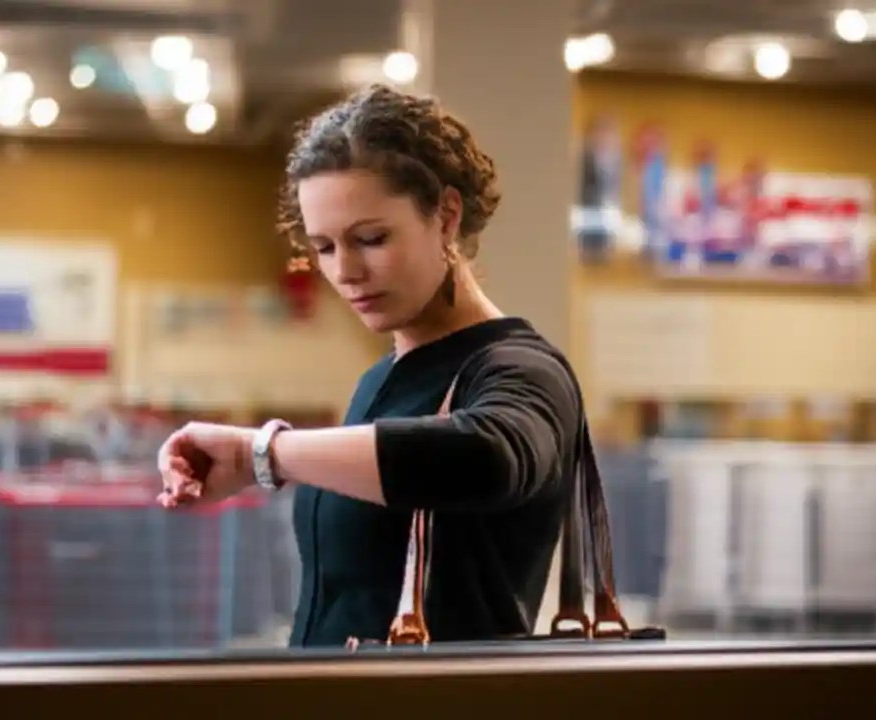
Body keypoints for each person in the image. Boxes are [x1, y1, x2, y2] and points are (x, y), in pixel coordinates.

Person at [157, 84, 593, 648]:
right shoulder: (380, 380)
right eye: (325, 247)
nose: (346, 271)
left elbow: (487, 457)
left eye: (371, 238)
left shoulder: (522, 369)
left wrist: (261, 453)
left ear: (446, 217)